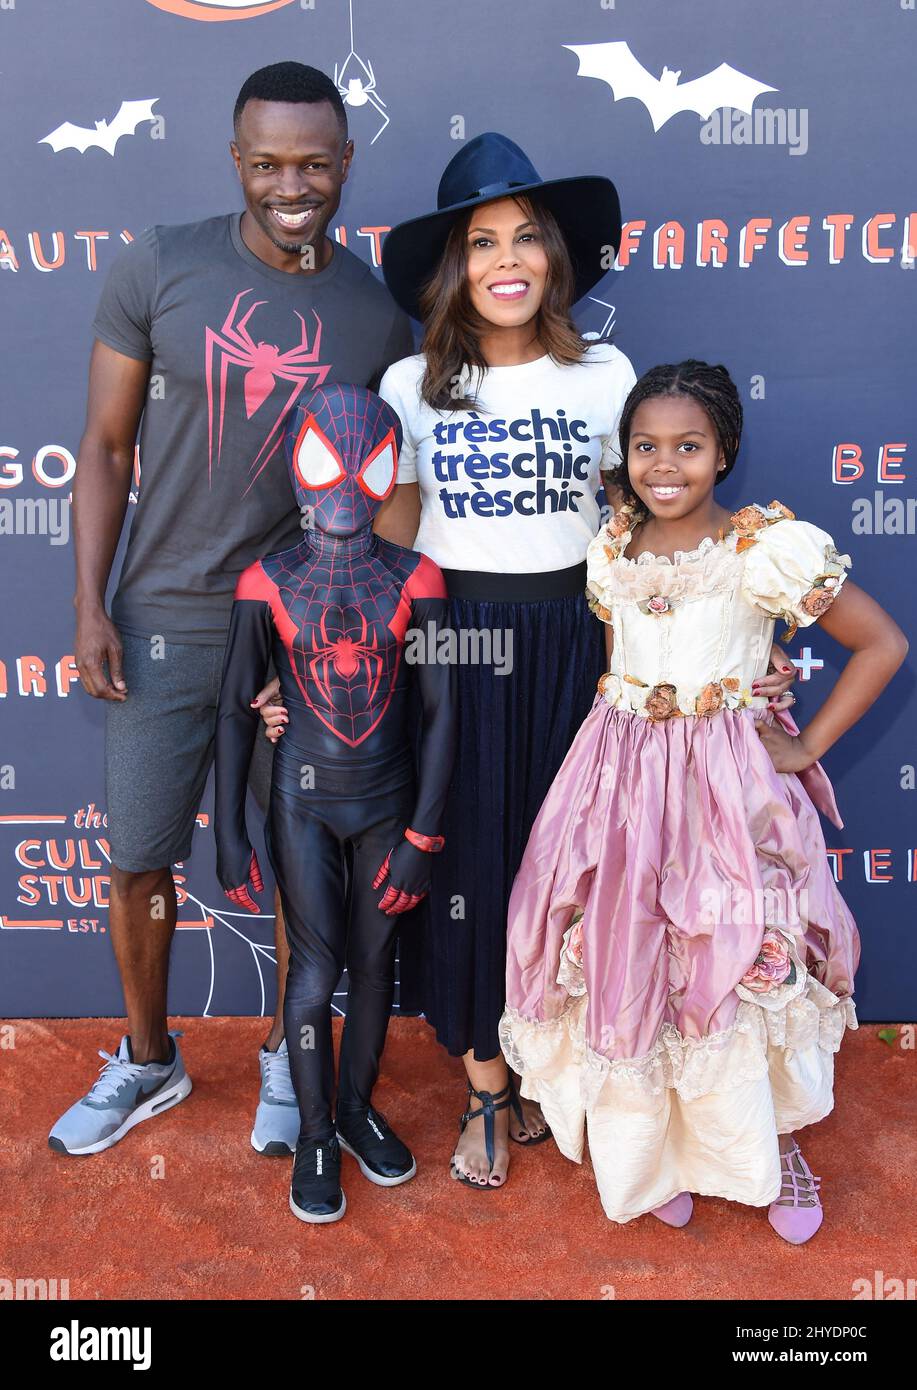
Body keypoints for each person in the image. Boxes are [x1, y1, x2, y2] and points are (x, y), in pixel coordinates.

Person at [258, 136, 796, 1189]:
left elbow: (655, 535)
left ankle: (564, 1069)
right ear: (451, 267)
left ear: (552, 257)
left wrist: (733, 649)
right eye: (478, 242)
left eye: (522, 239)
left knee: (575, 868)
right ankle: (485, 1084)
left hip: (575, 643)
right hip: (452, 639)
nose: (504, 260)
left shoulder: (606, 376)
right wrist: (314, 673)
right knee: (462, 865)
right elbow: (389, 550)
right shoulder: (409, 383)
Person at [52, 62, 414, 1158]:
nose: (290, 184)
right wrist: (90, 606)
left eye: (313, 163)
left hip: (304, 633)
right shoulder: (158, 264)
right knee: (139, 856)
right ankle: (149, 1058)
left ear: (347, 162)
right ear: (235, 161)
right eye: (267, 164)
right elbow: (106, 448)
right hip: (164, 613)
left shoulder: (373, 311)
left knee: (296, 861)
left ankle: (282, 1051)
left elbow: (389, 491)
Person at [500, 360, 908, 1241]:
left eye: (688, 446)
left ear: (724, 452)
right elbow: (624, 663)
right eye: (645, 446)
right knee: (634, 961)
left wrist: (801, 745)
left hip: (727, 792)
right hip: (615, 786)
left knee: (741, 958)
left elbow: (879, 643)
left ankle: (781, 1142)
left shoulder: (763, 550)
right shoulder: (608, 545)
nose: (664, 465)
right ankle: (662, 1151)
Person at [213, 384, 455, 1223]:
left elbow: (440, 711)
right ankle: (316, 1131)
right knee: (315, 972)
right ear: (298, 466)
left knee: (374, 963)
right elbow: (233, 707)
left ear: (391, 473)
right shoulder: (265, 580)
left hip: (389, 806)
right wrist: (230, 837)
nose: (346, 484)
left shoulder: (418, 576)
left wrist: (424, 831)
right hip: (301, 805)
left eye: (368, 464)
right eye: (326, 461)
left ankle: (355, 1109)